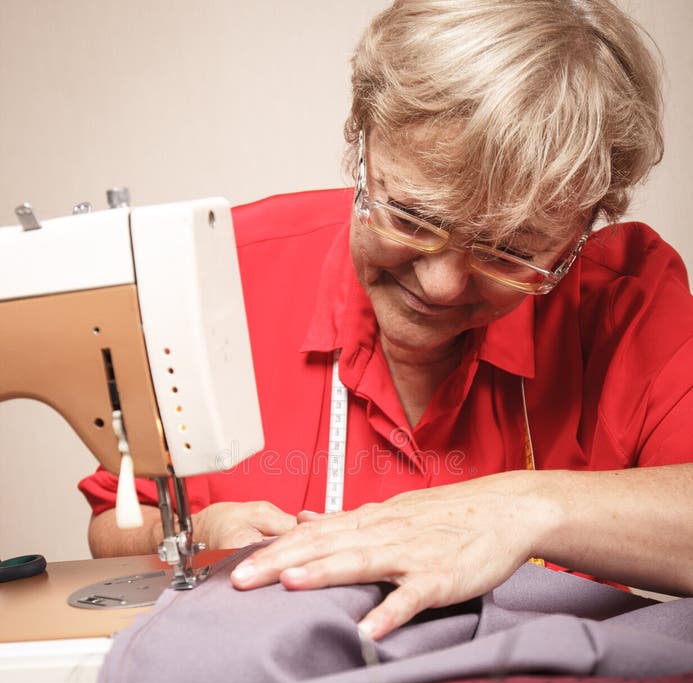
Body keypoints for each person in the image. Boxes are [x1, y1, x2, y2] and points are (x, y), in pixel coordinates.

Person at [82, 0, 693, 640]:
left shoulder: (624, 303)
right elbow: (112, 525)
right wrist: (198, 534)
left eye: (508, 251)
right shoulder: (221, 275)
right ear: (361, 142)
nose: (440, 283)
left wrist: (522, 510)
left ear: (583, 226)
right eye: (411, 218)